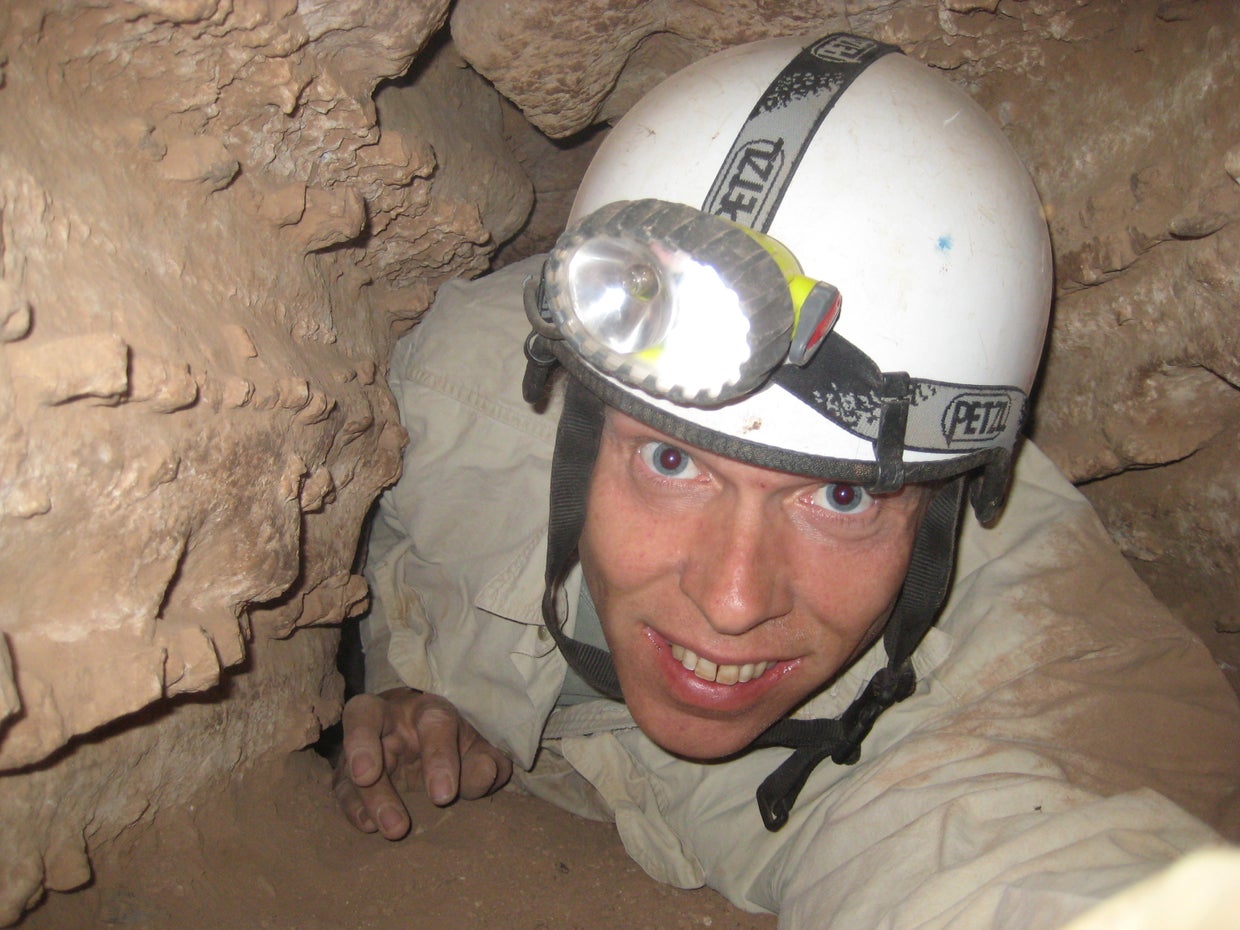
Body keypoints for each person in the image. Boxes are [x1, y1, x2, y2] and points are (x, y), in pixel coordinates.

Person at [334, 33, 1240, 928]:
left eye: (841, 497)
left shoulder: (1047, 663)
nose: (732, 603)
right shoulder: (449, 404)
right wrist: (408, 673)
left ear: (944, 504)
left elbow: (1018, 866)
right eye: (672, 460)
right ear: (575, 416)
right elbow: (393, 533)